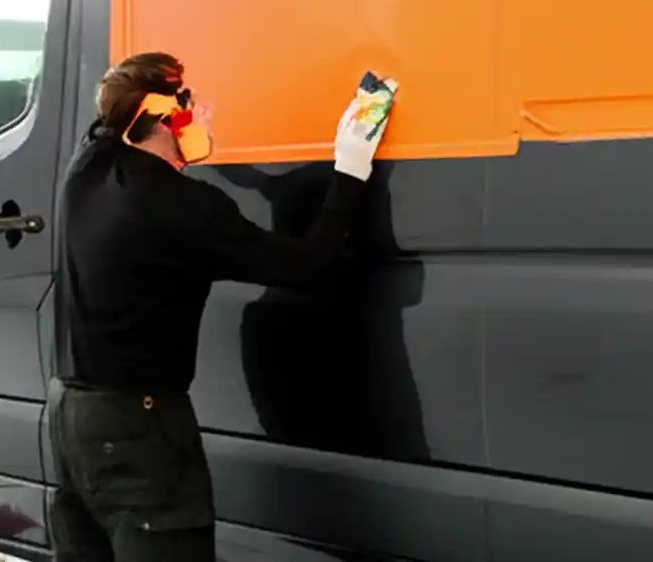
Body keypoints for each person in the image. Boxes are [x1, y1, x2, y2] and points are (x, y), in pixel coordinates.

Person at [47, 52, 395, 561]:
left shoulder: (86, 171)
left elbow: (108, 125)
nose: (205, 114)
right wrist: (351, 165)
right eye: (192, 106)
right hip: (141, 427)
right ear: (165, 120)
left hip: (70, 418)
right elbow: (307, 264)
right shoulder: (182, 206)